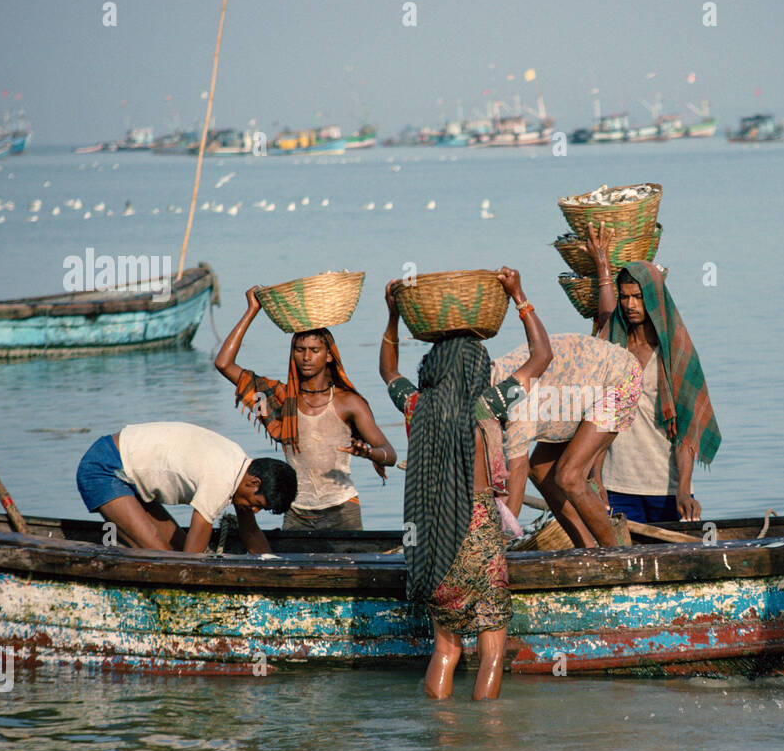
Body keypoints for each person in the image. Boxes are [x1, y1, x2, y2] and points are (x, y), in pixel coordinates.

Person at [379, 267, 551, 700]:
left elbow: (387, 370)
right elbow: (542, 356)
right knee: (492, 652)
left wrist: (393, 316)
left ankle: (441, 741)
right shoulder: (485, 406)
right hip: (476, 533)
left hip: (432, 537)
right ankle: (487, 742)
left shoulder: (416, 406)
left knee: (445, 648)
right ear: (476, 370)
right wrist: (519, 295)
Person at [214, 286, 396, 531]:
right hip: (296, 512)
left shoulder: (347, 403)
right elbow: (224, 363)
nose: (306, 357)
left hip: (342, 509)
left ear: (329, 356)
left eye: (314, 350)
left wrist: (369, 452)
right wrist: (252, 310)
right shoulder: (280, 399)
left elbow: (390, 454)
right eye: (299, 350)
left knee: (348, 570)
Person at [587, 224, 721, 523]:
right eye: (625, 297)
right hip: (616, 482)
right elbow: (597, 417)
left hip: (666, 486)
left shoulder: (675, 354)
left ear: (655, 300)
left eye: (638, 296)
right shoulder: (613, 348)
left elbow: (686, 429)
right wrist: (595, 478)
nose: (631, 305)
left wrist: (683, 489)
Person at [491, 333, 642, 547]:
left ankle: (616, 557)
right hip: (575, 386)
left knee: (569, 476)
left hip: (618, 377)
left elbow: (517, 477)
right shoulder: (486, 383)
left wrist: (500, 543)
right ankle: (586, 548)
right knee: (540, 470)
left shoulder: (513, 400)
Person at [75, 421, 296, 553]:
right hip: (105, 467)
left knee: (177, 549)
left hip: (132, 475)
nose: (253, 510)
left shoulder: (241, 469)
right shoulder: (221, 477)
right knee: (161, 558)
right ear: (254, 482)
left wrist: (271, 566)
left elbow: (250, 531)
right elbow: (191, 563)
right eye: (256, 504)